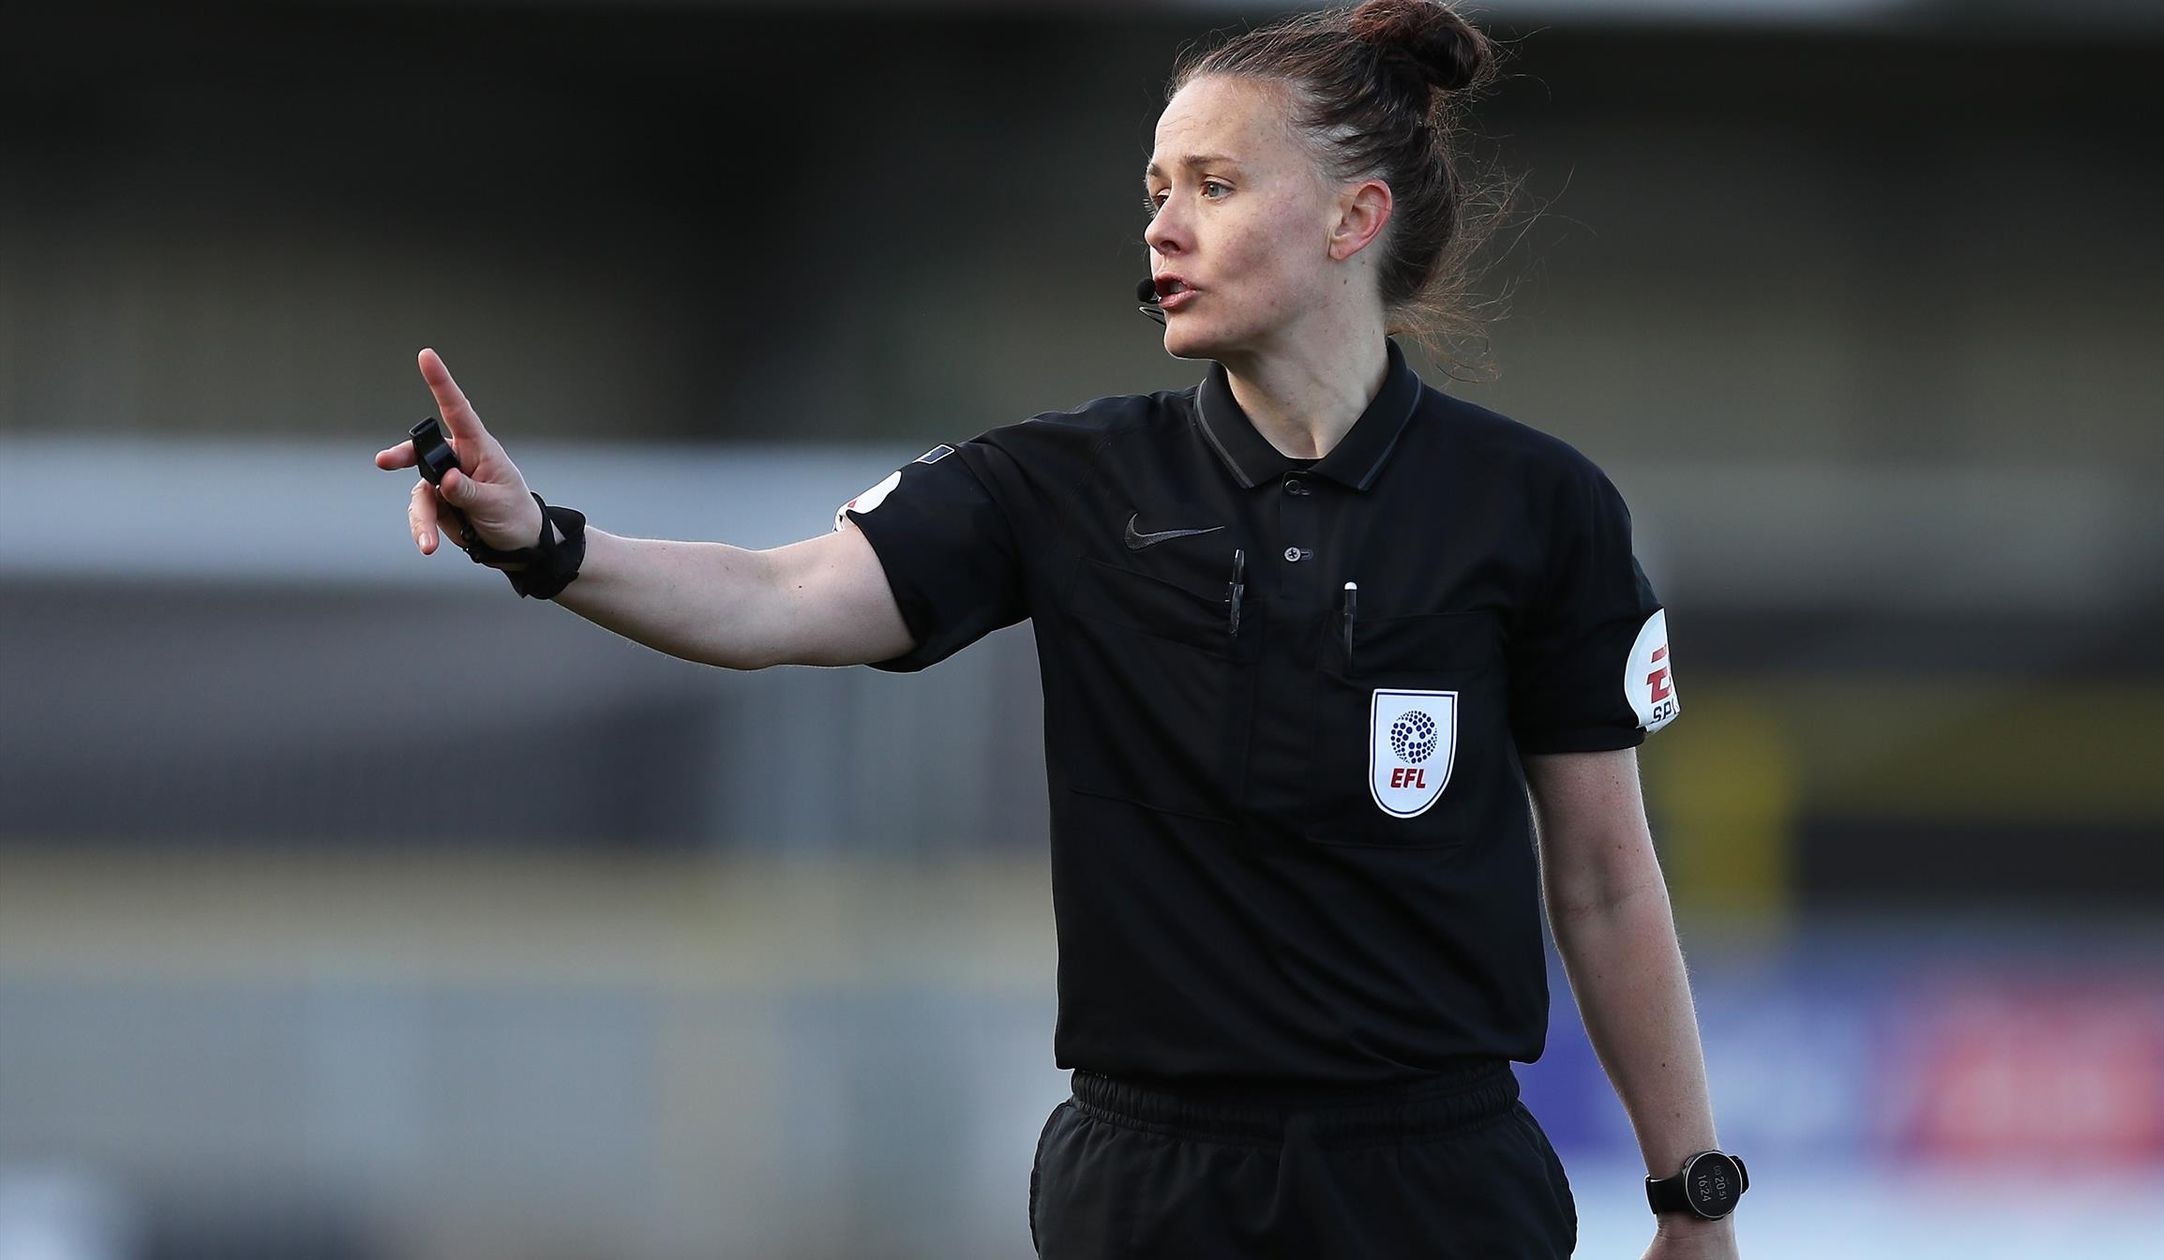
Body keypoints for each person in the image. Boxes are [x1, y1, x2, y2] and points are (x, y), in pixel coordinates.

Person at [372, 2, 1743, 1255]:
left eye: (1214, 185)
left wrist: (1692, 1193)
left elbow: (1608, 879)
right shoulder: (1064, 484)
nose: (1160, 225)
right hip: (1150, 1184)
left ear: (1351, 218)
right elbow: (777, 598)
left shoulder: (1537, 506)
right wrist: (545, 543)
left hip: (1440, 1184)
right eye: (1156, 189)